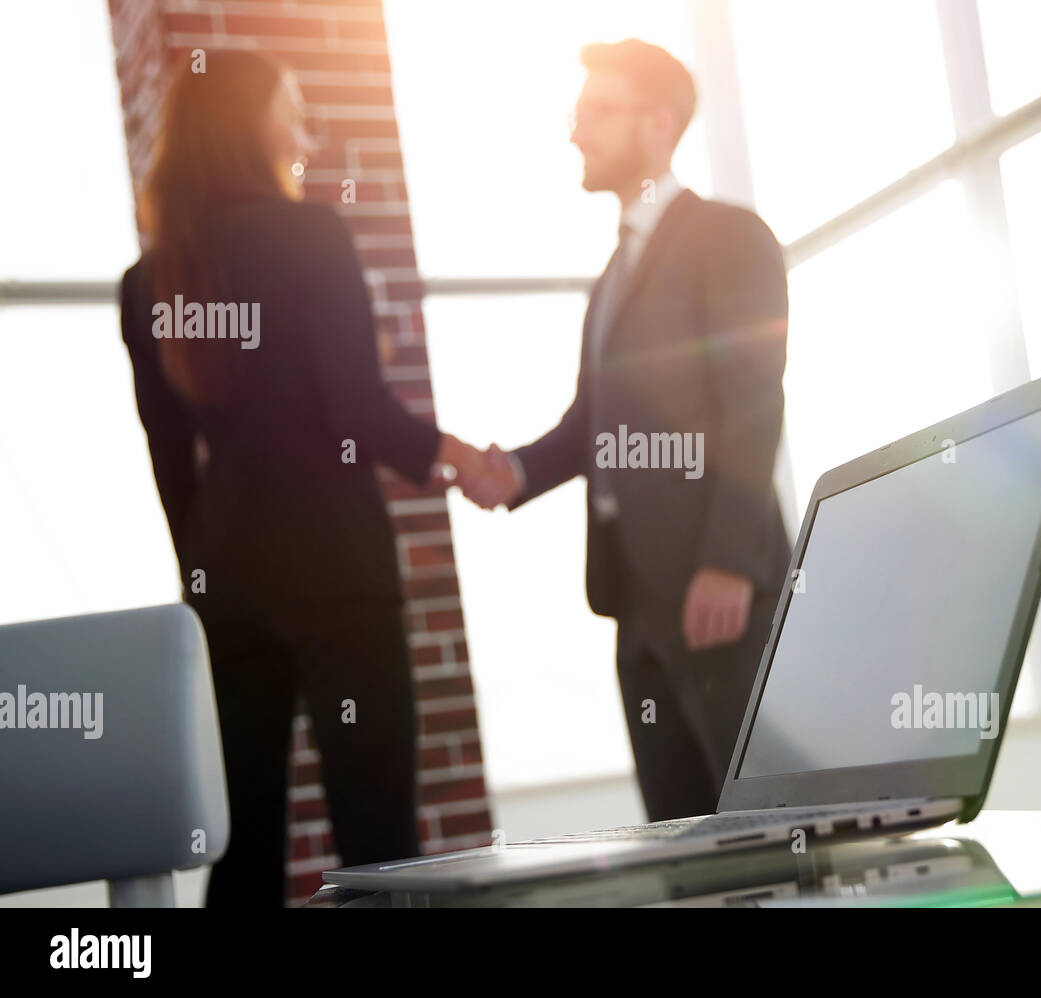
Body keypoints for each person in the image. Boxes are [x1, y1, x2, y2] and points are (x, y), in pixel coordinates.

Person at [118, 50, 484, 906]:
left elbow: (168, 460)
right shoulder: (310, 235)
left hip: (231, 584)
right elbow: (356, 407)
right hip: (338, 570)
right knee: (380, 842)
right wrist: (457, 454)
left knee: (241, 844)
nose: (302, 128)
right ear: (252, 124)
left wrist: (203, 574)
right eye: (289, 107)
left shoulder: (148, 283)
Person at [460, 40, 791, 822]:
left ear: (657, 124)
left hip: (716, 592)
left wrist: (725, 563)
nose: (576, 132)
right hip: (635, 599)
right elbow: (592, 426)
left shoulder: (728, 235)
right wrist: (515, 472)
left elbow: (753, 400)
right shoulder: (614, 275)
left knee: (767, 832)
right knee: (684, 842)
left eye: (595, 112)